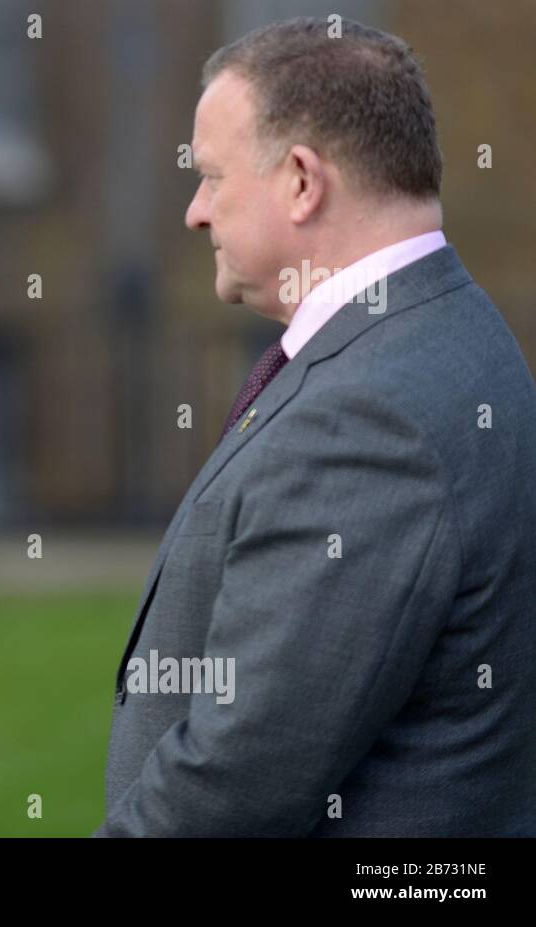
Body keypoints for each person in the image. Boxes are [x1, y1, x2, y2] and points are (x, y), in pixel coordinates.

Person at [99, 18, 536, 836]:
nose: (196, 213)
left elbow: (238, 782)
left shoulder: (367, 417)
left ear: (302, 181)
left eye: (211, 178)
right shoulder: (456, 329)